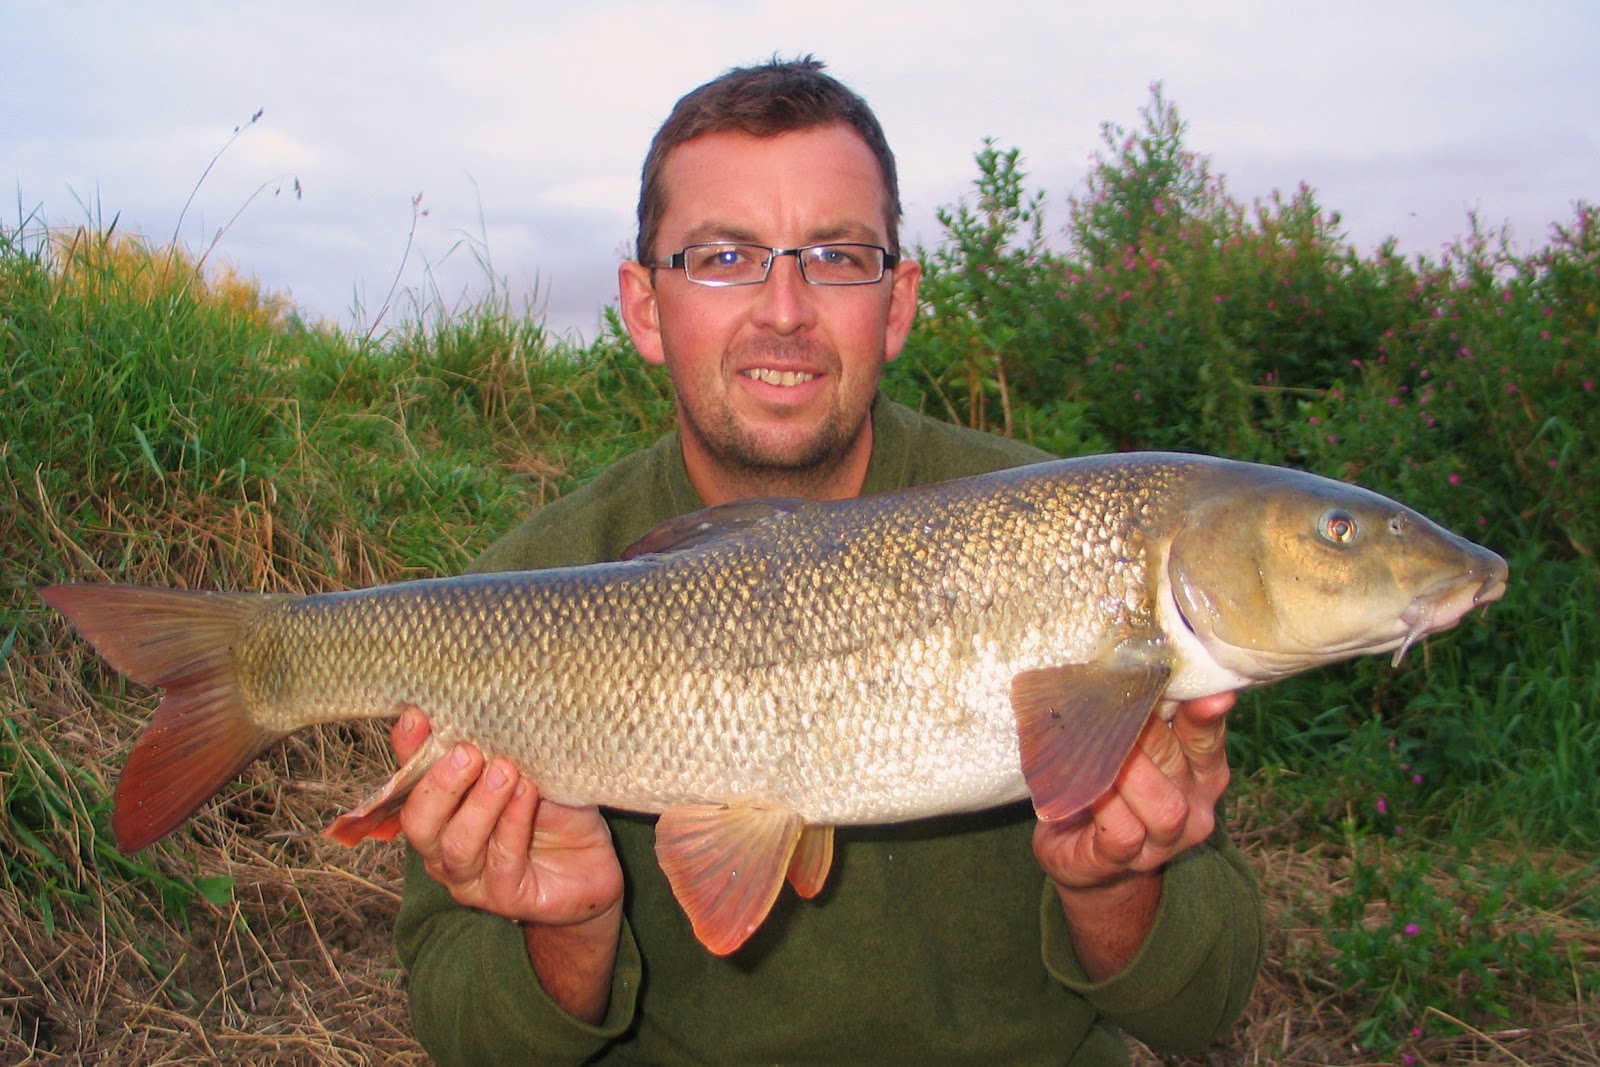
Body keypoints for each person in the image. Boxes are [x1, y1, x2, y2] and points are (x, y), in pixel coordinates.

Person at [390, 57, 1263, 1065]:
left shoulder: (1069, 536)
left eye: (838, 258)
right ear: (641, 305)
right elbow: (458, 1028)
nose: (785, 310)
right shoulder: (529, 586)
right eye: (723, 257)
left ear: (896, 303)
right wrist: (568, 928)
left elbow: (1197, 1009)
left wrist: (1114, 880)